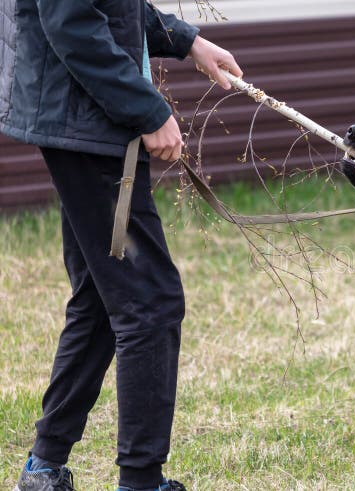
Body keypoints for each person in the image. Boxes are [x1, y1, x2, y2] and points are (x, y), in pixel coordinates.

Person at [0, 1, 243, 489]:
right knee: (150, 301)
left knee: (99, 297)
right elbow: (72, 24)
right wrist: (148, 110)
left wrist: (186, 40)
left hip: (82, 115)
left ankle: (43, 467)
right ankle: (140, 480)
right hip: (87, 119)